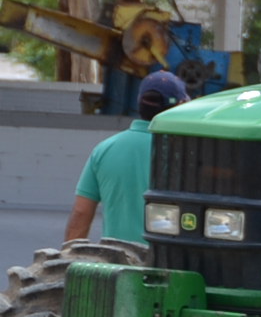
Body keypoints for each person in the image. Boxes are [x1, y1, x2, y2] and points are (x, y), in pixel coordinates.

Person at [66, 70, 189, 244]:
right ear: (179, 106)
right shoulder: (185, 154)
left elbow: (81, 212)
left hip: (117, 264)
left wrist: (69, 257)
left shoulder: (104, 149)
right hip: (167, 265)